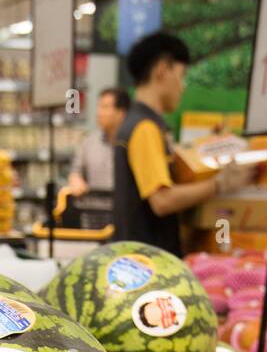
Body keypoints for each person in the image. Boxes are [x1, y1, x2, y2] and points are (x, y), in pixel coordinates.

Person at [113, 32, 218, 255]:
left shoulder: (141, 123)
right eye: (181, 76)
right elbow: (161, 201)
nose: (183, 86)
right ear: (162, 71)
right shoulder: (145, 128)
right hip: (146, 264)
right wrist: (219, 185)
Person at [65, 87, 130, 210]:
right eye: (98, 106)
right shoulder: (88, 142)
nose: (99, 112)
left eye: (105, 107)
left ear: (121, 113)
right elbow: (75, 172)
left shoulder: (132, 144)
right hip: (92, 214)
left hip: (124, 215)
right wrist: (75, 180)